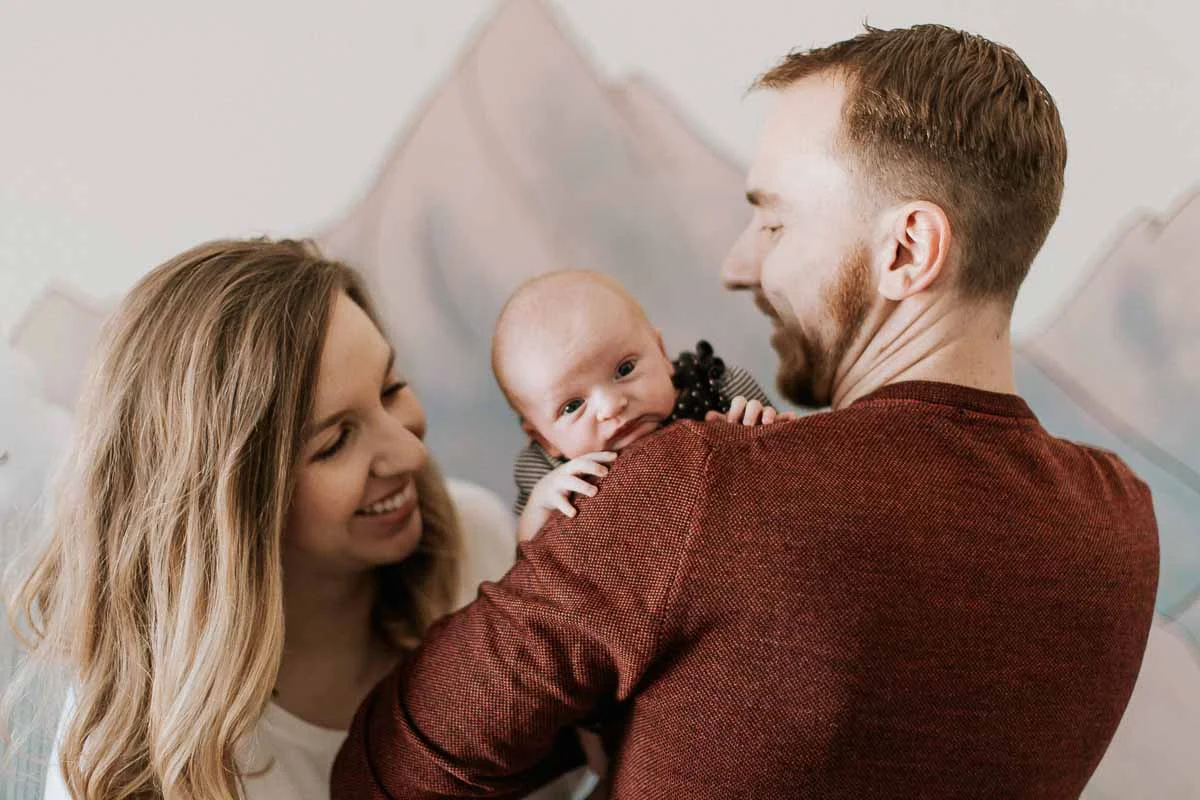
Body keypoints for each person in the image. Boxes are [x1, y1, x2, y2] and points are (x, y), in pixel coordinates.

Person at [331, 24, 1159, 799]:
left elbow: (389, 774)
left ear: (906, 250)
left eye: (773, 221)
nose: (737, 265)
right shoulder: (1122, 524)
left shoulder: (695, 490)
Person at [2, 239, 588, 799]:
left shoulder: (480, 541)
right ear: (229, 507)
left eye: (391, 389)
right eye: (335, 443)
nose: (411, 454)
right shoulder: (132, 758)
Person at [492, 269, 784, 541]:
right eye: (572, 406)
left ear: (661, 353)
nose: (611, 406)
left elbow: (794, 463)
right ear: (544, 438)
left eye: (624, 369)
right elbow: (528, 573)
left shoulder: (718, 390)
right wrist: (538, 514)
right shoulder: (548, 472)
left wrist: (760, 433)